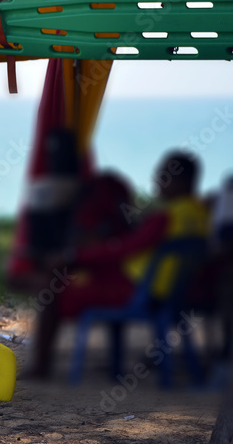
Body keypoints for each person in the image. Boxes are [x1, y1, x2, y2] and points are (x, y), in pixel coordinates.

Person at [25, 150, 210, 380]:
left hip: (138, 292)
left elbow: (122, 250)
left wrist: (73, 256)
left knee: (51, 289)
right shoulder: (200, 214)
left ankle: (40, 367)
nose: (157, 180)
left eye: (164, 175)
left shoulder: (166, 217)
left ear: (183, 181)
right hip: (174, 292)